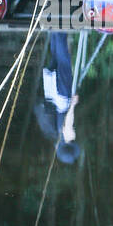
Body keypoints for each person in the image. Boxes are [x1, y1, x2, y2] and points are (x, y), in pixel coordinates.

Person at [34, 30, 81, 164]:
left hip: (62, 95)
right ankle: (54, 30)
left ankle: (59, 28)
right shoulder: (53, 135)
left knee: (63, 59)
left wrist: (72, 105)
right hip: (50, 93)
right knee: (55, 57)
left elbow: (68, 122)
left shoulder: (67, 136)